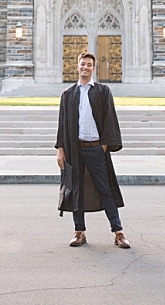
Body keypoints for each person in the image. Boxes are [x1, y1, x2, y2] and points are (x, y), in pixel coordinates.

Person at [54, 52, 130, 248]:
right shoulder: (68, 94)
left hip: (96, 149)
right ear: (77, 67)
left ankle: (118, 232)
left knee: (105, 190)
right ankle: (79, 232)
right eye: (83, 64)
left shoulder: (103, 92)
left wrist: (103, 146)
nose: (85, 67)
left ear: (93, 68)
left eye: (89, 65)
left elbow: (109, 120)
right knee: (76, 191)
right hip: (75, 149)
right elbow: (62, 124)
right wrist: (60, 150)